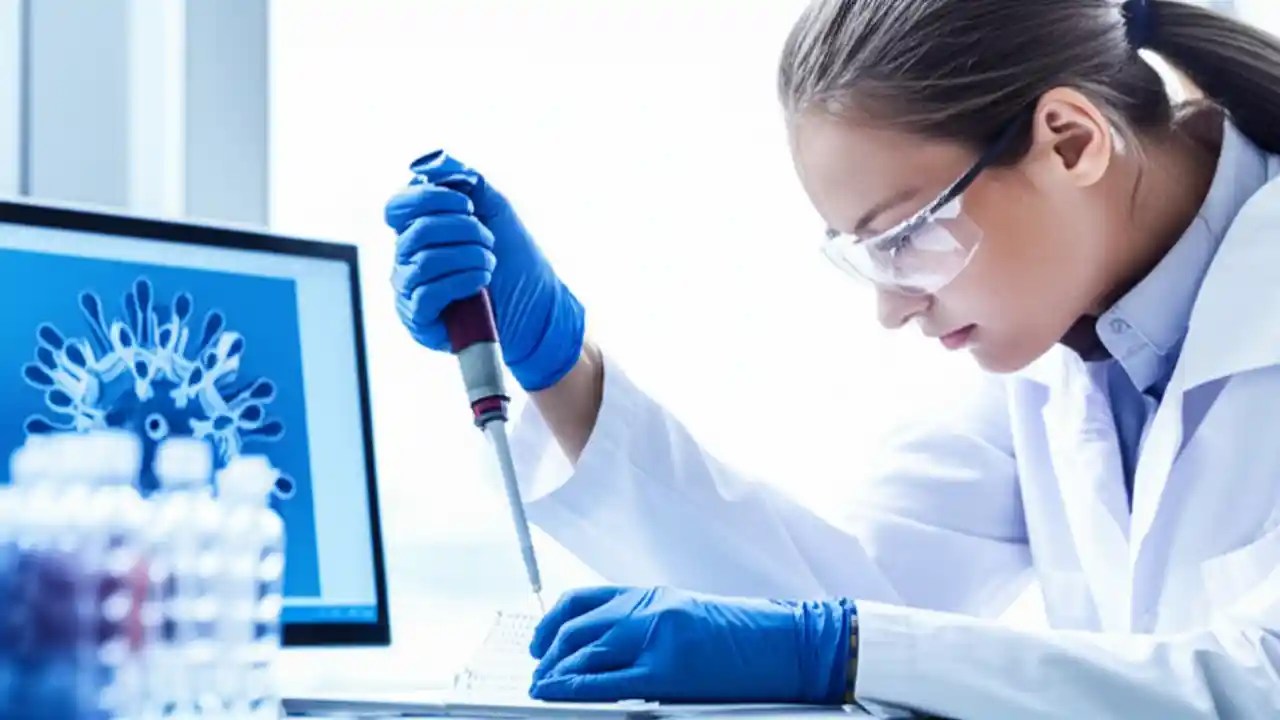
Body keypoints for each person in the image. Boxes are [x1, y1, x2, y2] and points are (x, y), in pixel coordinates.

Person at [384, 0, 1280, 716]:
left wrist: (833, 648)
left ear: (1070, 142)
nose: (893, 307)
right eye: (865, 255)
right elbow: (851, 602)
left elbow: (1253, 685)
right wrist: (561, 369)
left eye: (903, 238)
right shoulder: (1065, 355)